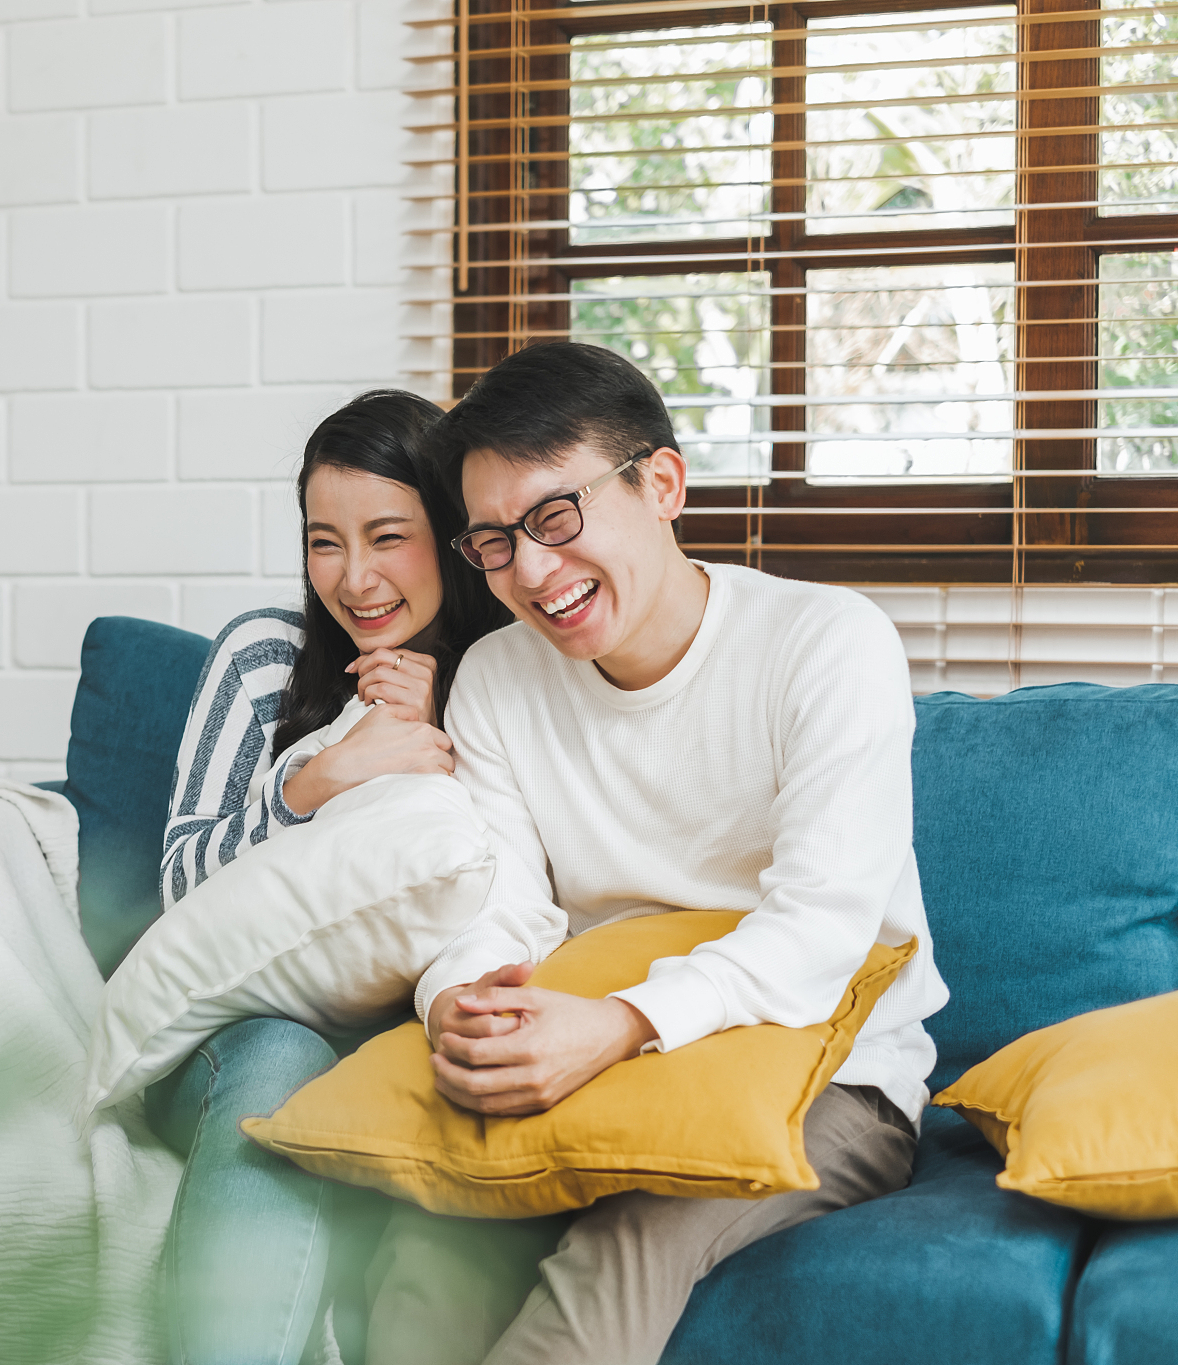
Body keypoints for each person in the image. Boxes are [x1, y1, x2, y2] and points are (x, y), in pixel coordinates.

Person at [363, 343, 950, 1365]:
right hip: (596, 1058)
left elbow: (820, 927)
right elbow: (495, 903)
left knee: (617, 1255)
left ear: (661, 483)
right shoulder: (497, 679)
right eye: (494, 543)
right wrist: (470, 999)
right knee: (429, 1251)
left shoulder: (825, 642)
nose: (532, 572)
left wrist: (621, 1023)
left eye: (554, 518)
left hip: (828, 1078)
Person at [144, 389, 513, 1365]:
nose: (353, 579)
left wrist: (449, 732)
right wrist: (315, 781)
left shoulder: (506, 682)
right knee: (280, 1061)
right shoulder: (263, 656)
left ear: (451, 535)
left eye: (386, 536)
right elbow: (178, 884)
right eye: (324, 541)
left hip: (409, 1044)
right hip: (236, 1041)